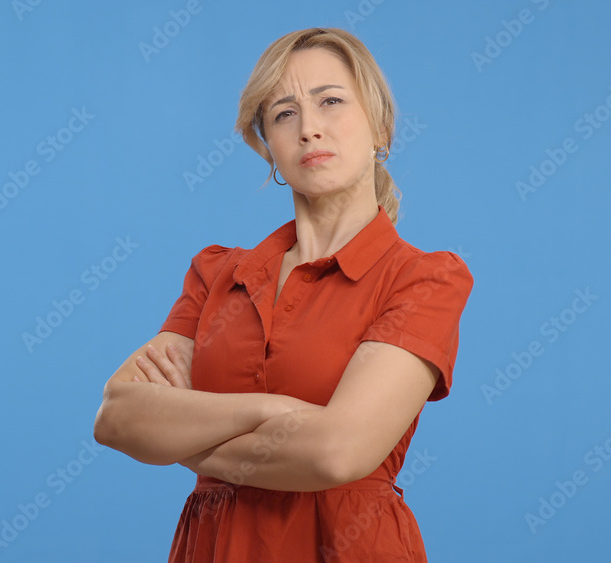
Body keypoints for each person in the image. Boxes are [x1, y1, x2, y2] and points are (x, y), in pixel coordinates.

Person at [93, 27, 473, 562]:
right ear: (267, 146)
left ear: (380, 126)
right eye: (284, 113)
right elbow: (118, 418)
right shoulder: (216, 273)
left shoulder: (422, 279)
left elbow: (338, 453)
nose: (309, 129)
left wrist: (183, 438)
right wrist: (274, 410)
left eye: (332, 102)